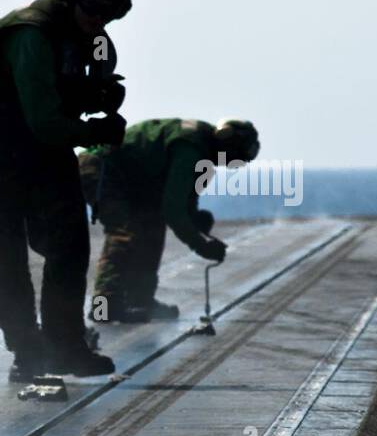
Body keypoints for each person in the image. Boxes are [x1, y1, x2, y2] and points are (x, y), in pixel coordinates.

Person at [0, 0, 130, 382]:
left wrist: (96, 98)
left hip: (43, 158)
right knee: (6, 262)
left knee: (69, 249)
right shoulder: (31, 33)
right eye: (91, 8)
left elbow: (63, 95)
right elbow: (44, 120)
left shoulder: (88, 38)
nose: (97, 19)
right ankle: (28, 354)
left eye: (108, 12)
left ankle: (67, 348)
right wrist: (96, 130)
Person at [81, 118, 259, 322]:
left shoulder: (203, 156)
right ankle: (104, 306)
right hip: (102, 168)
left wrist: (198, 224)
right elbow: (173, 211)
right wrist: (201, 245)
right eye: (233, 157)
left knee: (153, 227)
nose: (229, 163)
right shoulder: (190, 149)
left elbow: (185, 205)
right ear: (225, 141)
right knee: (123, 232)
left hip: (129, 179)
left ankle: (139, 299)